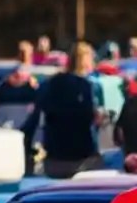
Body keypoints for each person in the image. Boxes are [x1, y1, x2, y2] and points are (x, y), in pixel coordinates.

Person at [23, 42, 104, 178]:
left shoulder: (49, 84)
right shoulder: (88, 86)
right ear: (87, 61)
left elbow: (33, 121)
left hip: (54, 160)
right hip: (83, 159)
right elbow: (90, 118)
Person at [115, 88, 137, 167]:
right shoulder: (129, 103)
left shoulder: (129, 103)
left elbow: (119, 126)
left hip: (130, 148)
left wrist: (121, 143)